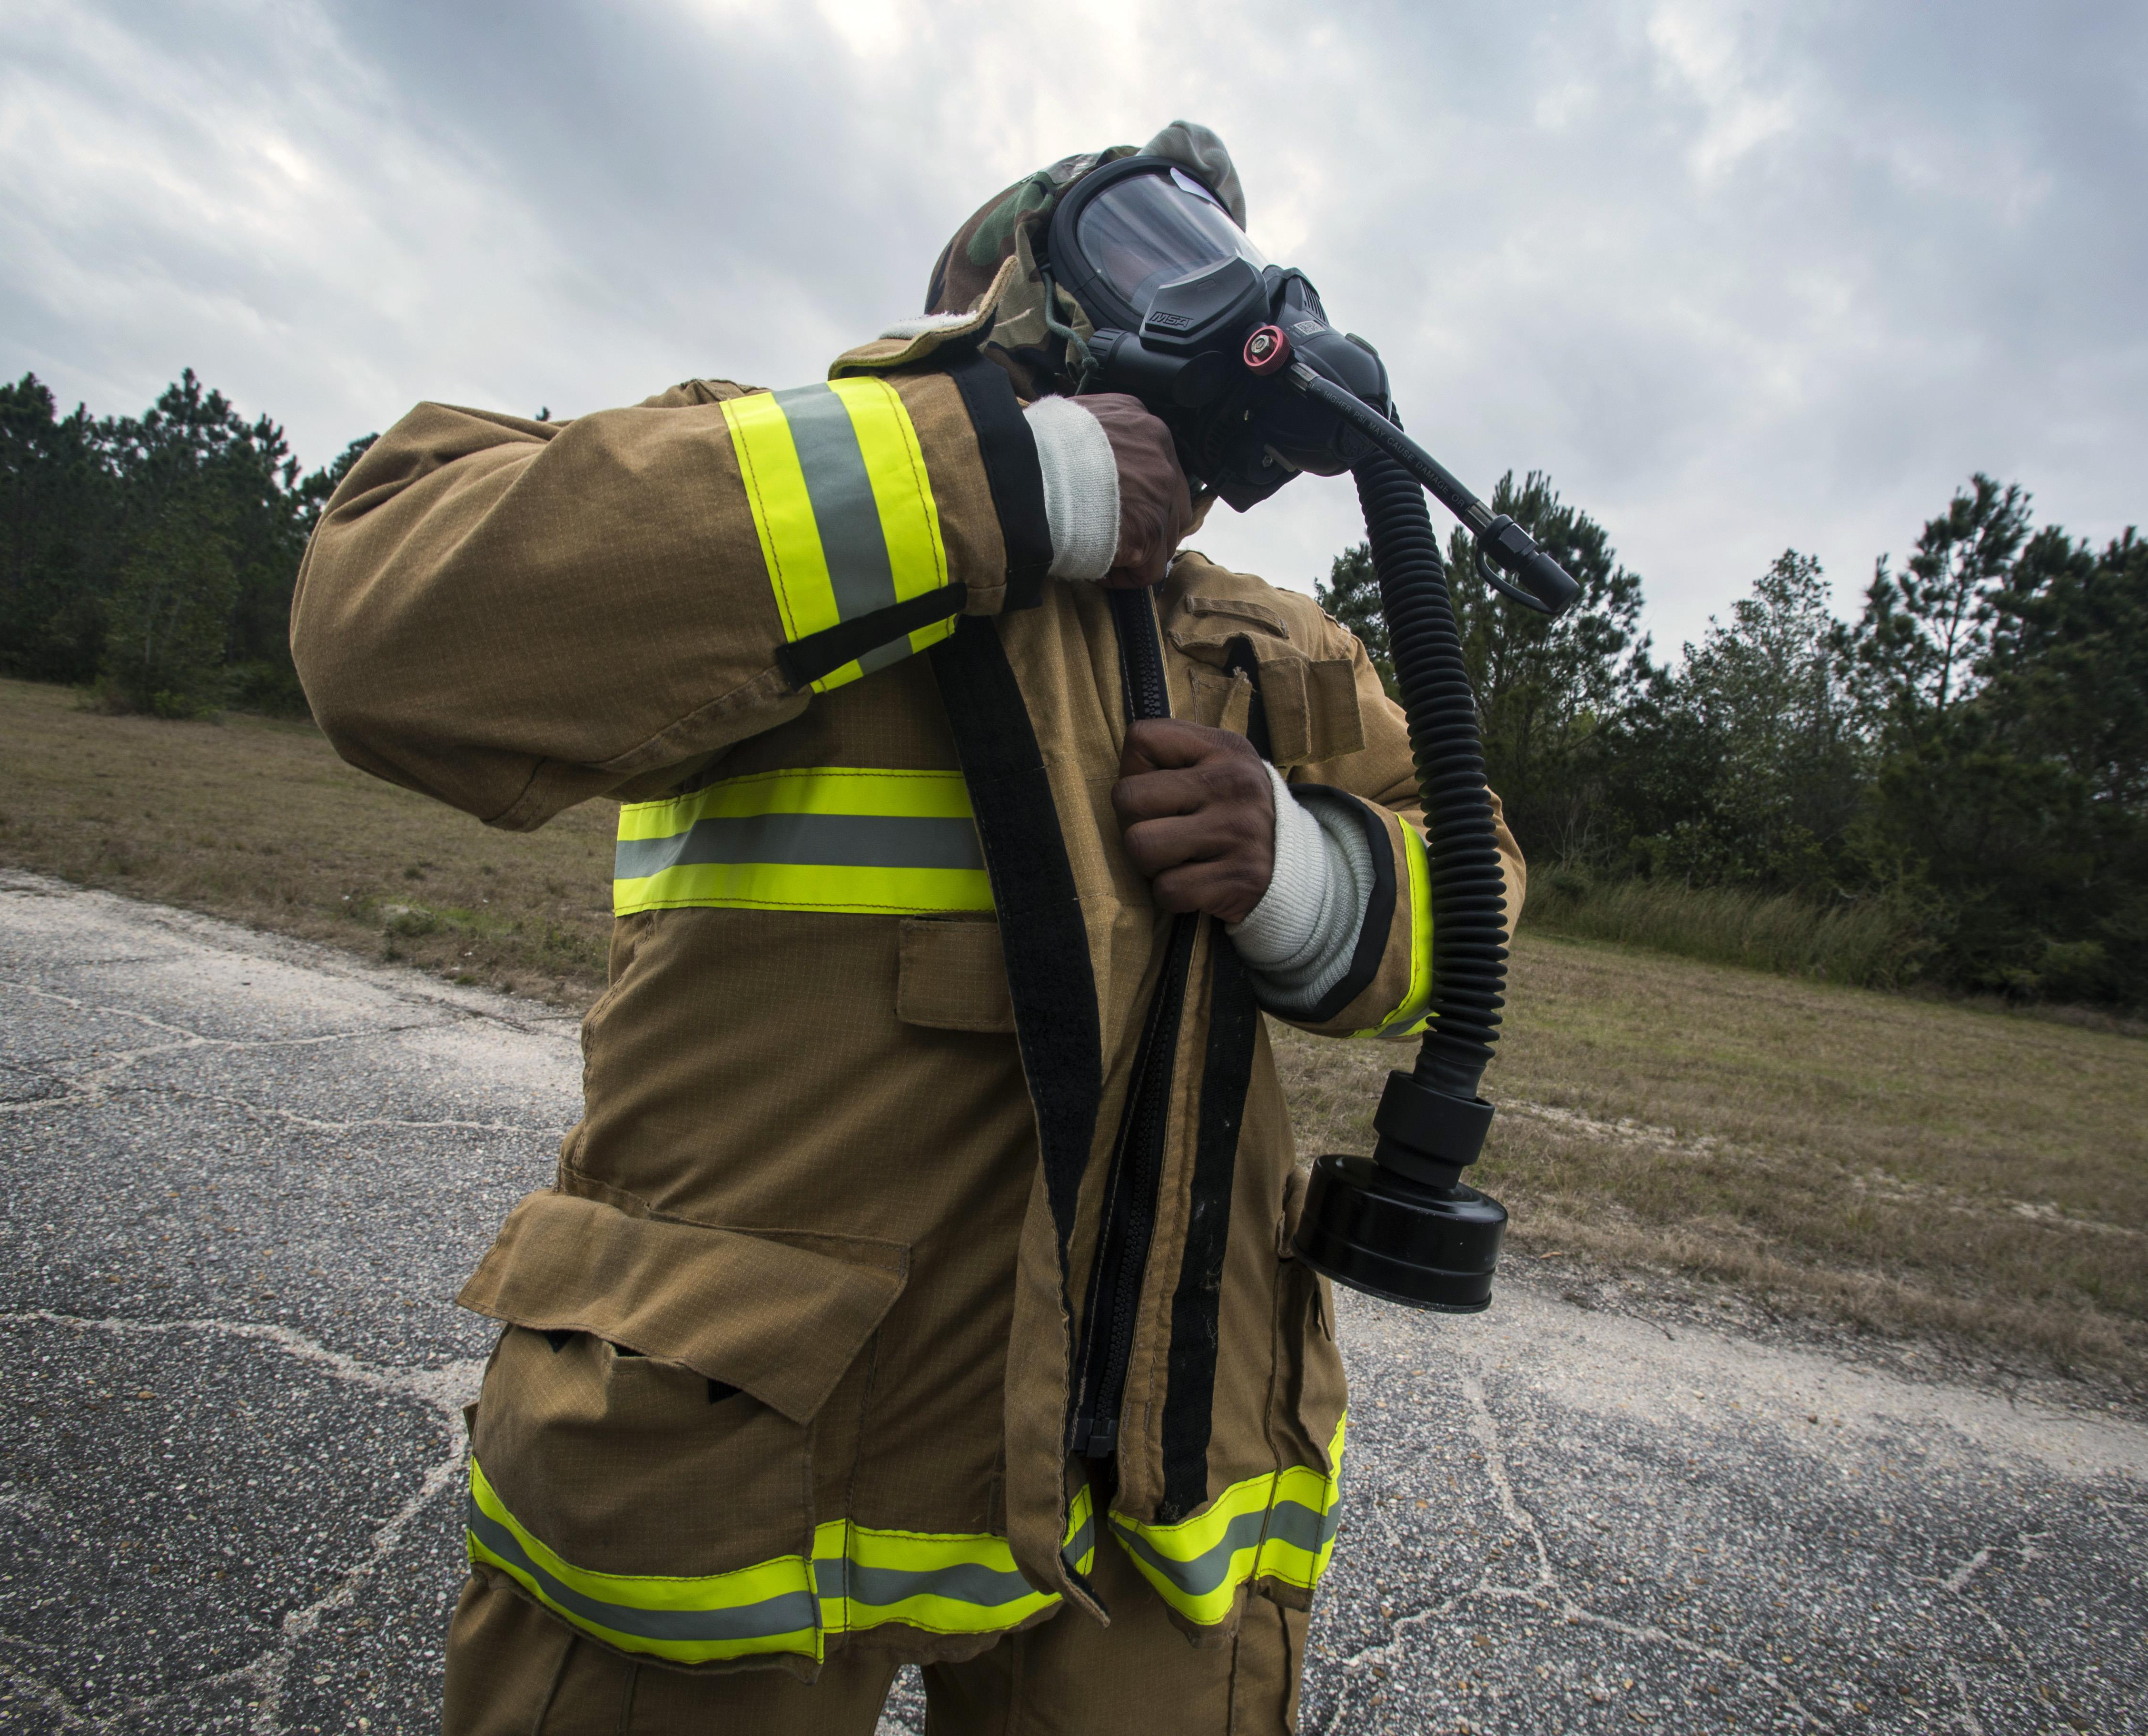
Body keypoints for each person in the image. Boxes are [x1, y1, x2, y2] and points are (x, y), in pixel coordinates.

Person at [291, 119, 1523, 1736]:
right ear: (1014, 294)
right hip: (742, 1486)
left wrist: (1307, 870)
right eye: (1148, 244)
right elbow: (385, 616)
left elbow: (1485, 880)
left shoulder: (1267, 646)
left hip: (1161, 1491)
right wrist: (1007, 479)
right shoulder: (780, 480)